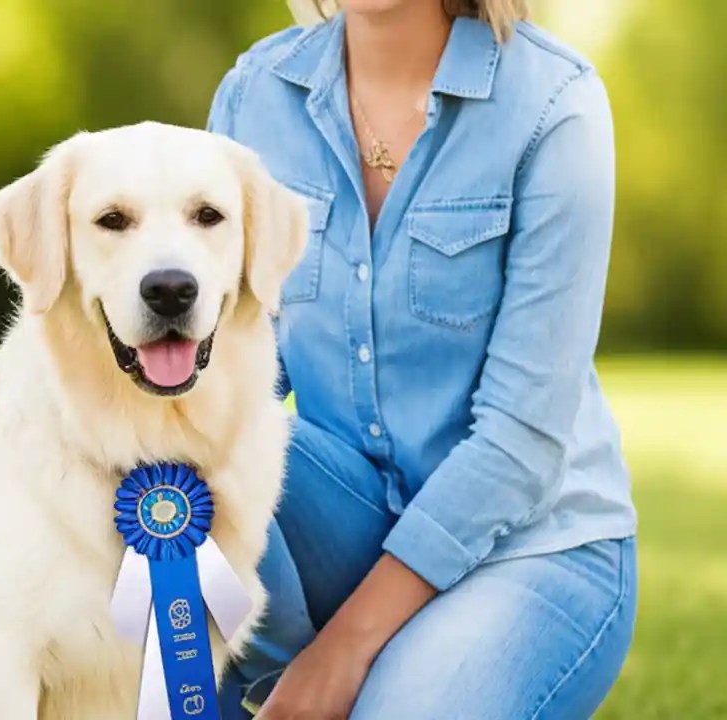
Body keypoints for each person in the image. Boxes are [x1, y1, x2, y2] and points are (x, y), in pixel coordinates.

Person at [206, 1, 638, 717]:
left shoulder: (554, 104)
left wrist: (342, 649)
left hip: (531, 547)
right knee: (162, 480)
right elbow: (229, 376)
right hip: (347, 516)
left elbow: (519, 443)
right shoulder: (256, 96)